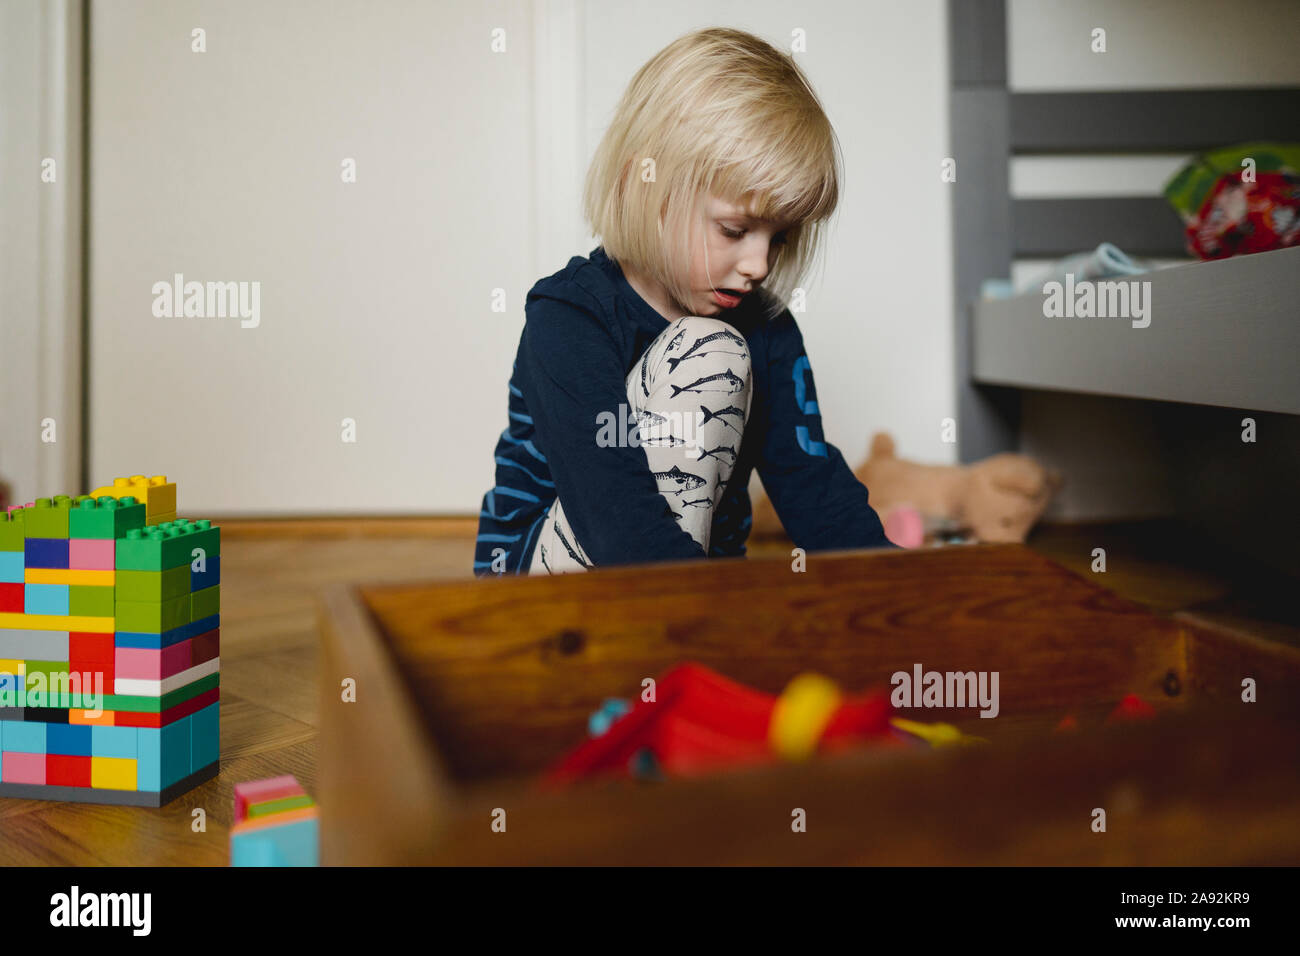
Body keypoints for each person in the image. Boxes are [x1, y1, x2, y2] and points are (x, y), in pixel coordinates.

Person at [473, 27, 894, 577]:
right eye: (734, 229)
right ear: (643, 187)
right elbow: (610, 505)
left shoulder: (766, 328)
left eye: (779, 238)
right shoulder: (568, 317)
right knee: (711, 350)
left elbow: (810, 481)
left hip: (685, 586)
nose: (759, 265)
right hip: (538, 592)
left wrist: (900, 590)